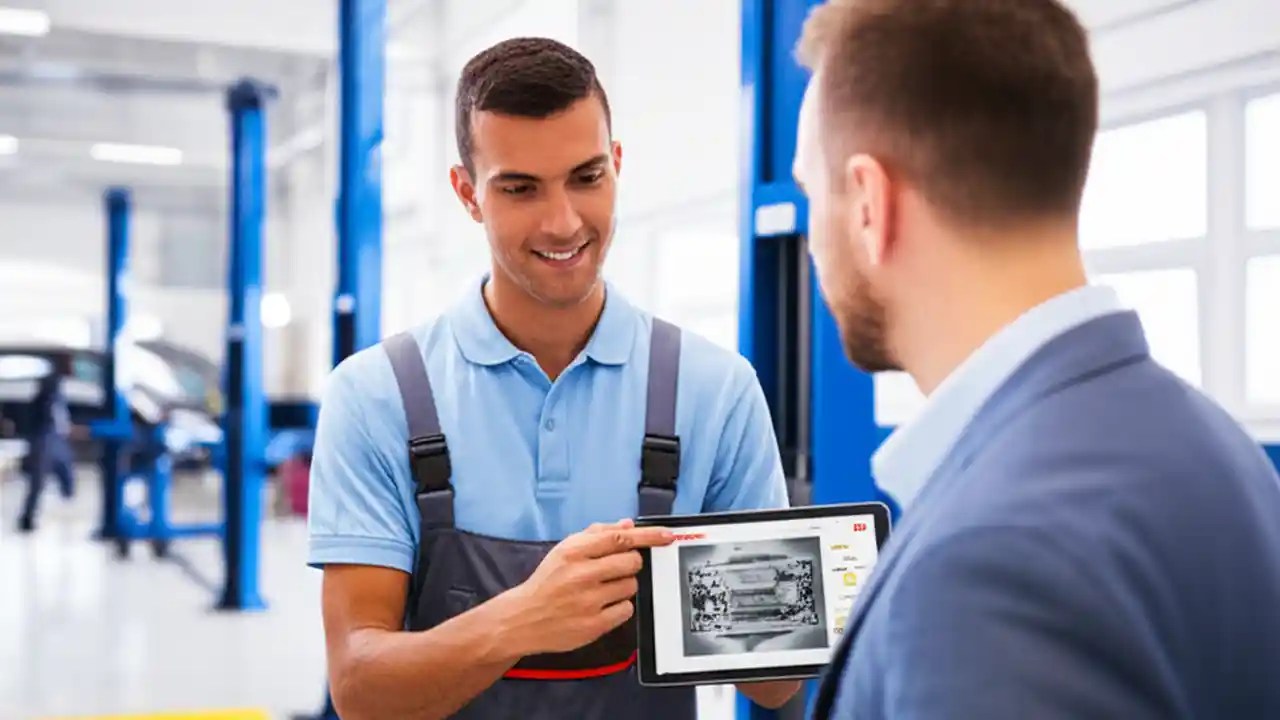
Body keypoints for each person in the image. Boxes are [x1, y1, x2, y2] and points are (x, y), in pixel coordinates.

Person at [790, 1, 1280, 718]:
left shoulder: (985, 569)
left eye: (811, 193)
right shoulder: (1224, 455)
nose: (811, 241)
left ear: (868, 202)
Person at [307, 37, 801, 720]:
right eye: (520, 188)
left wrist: (784, 604)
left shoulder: (715, 390)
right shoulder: (377, 396)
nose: (563, 221)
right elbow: (360, 690)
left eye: (586, 178)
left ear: (617, 166)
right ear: (467, 194)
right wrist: (524, 618)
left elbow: (775, 685)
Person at [18, 354, 77, 532]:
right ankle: (28, 518)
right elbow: (51, 413)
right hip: (46, 438)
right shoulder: (51, 388)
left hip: (51, 438)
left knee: (45, 479)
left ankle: (30, 517)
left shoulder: (54, 390)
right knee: (40, 480)